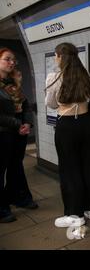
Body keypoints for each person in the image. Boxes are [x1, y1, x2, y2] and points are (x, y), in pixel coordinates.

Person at [45, 42, 90, 228]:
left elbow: (51, 104)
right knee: (88, 166)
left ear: (60, 56)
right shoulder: (85, 76)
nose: (55, 58)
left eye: (55, 55)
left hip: (67, 125)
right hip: (87, 123)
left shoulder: (55, 77)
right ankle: (89, 208)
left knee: (70, 169)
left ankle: (75, 215)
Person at [0, 47, 38, 223]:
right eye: (7, 59)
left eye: (13, 59)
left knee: (16, 167)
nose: (12, 62)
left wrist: (28, 123)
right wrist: (18, 125)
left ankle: (19, 198)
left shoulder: (14, 83)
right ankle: (1, 209)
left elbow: (26, 106)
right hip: (3, 133)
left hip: (18, 133)